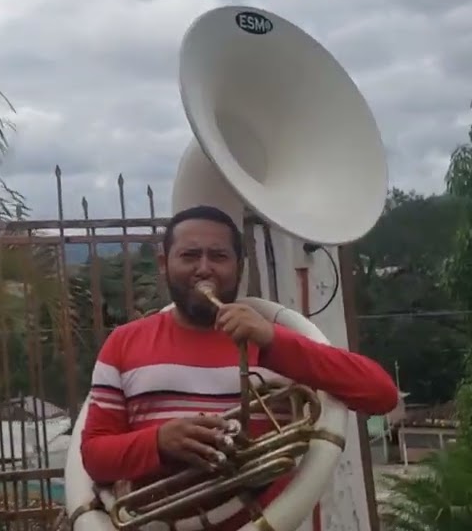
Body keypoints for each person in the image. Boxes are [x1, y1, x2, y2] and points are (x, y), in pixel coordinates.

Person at [79, 204, 399, 531]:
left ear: (239, 266)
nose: (204, 269)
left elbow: (381, 394)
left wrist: (273, 340)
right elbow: (94, 457)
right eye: (189, 256)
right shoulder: (124, 342)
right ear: (164, 264)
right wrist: (160, 442)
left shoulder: (274, 339)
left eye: (219, 256)